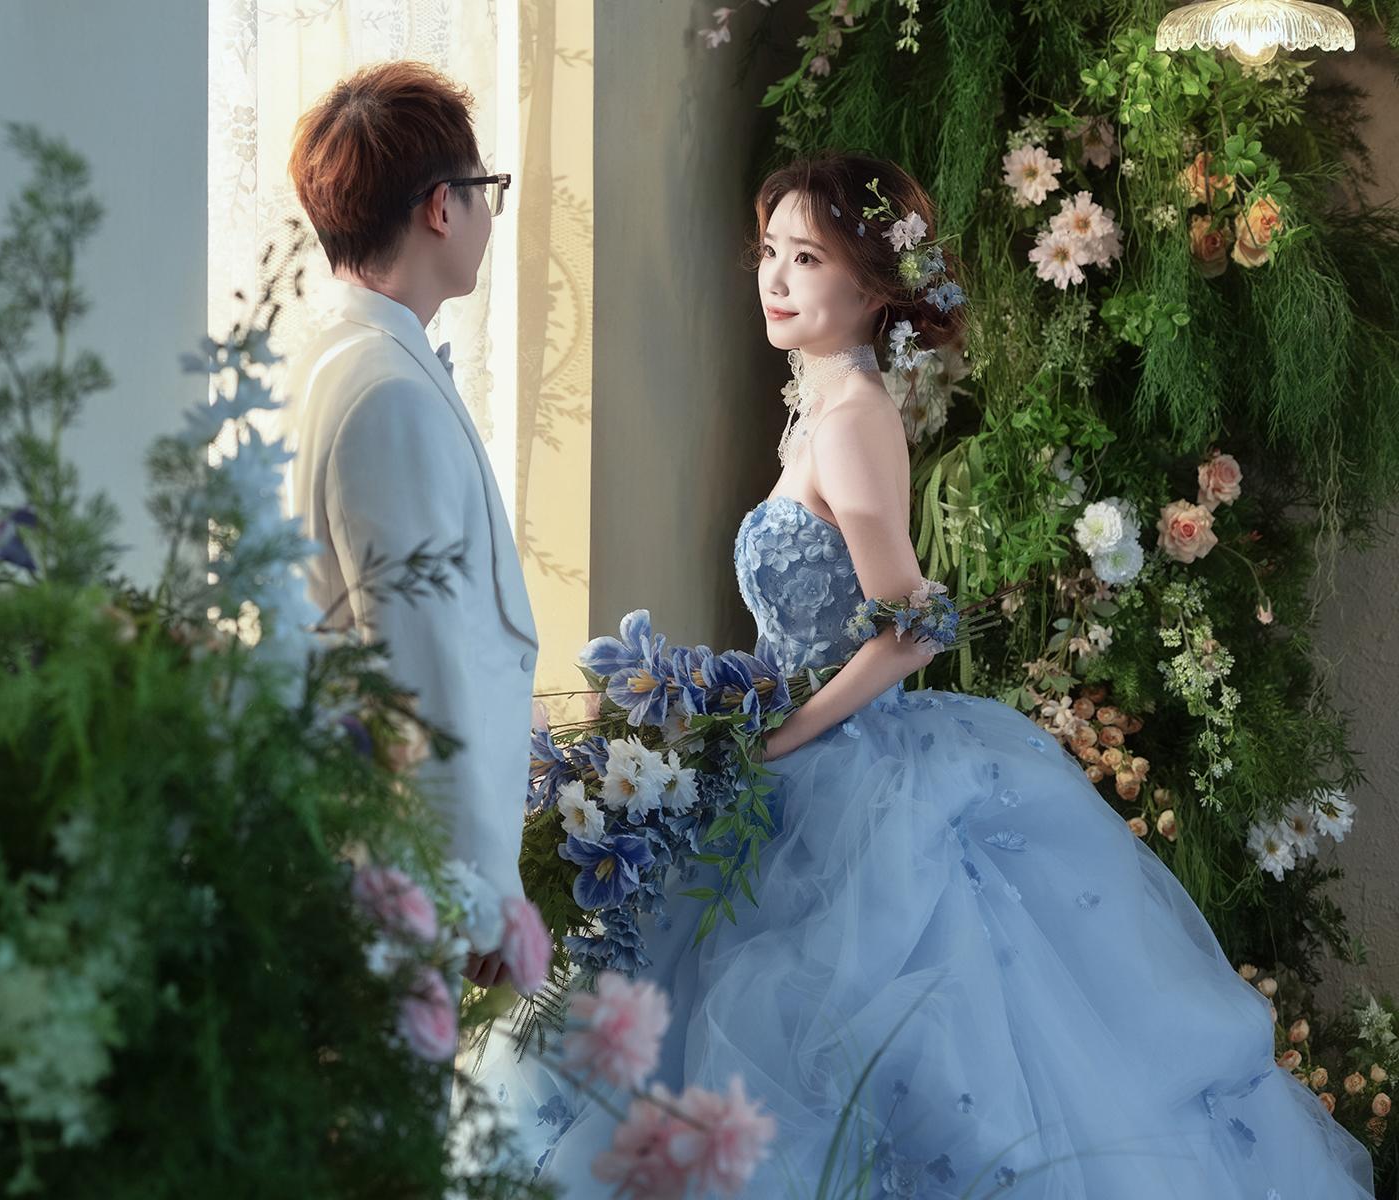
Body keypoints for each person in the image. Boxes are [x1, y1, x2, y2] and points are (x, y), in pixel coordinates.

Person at [479, 153, 1375, 1198]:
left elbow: (914, 627)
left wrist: (781, 733)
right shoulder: (818, 408)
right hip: (800, 748)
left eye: (808, 258)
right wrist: (729, 710)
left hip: (843, 768)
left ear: (872, 286)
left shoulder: (853, 419)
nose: (776, 278)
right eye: (769, 251)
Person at [285, 62, 534, 988]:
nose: (487, 217)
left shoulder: (345, 357)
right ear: (440, 207)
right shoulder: (387, 390)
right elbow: (418, 661)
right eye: (485, 191)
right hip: (399, 865)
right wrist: (479, 894)